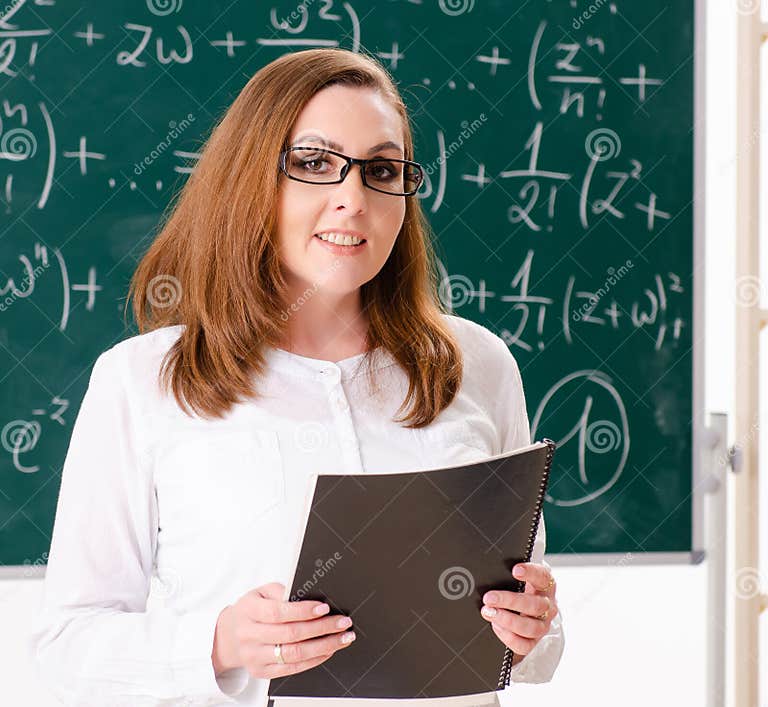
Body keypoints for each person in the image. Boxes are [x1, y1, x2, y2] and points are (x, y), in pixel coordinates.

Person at [28, 48, 564, 706]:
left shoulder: (477, 363)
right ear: (254, 180)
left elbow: (531, 627)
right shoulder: (144, 381)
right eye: (313, 164)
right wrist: (219, 642)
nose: (353, 199)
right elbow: (66, 647)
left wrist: (534, 627)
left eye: (382, 169)